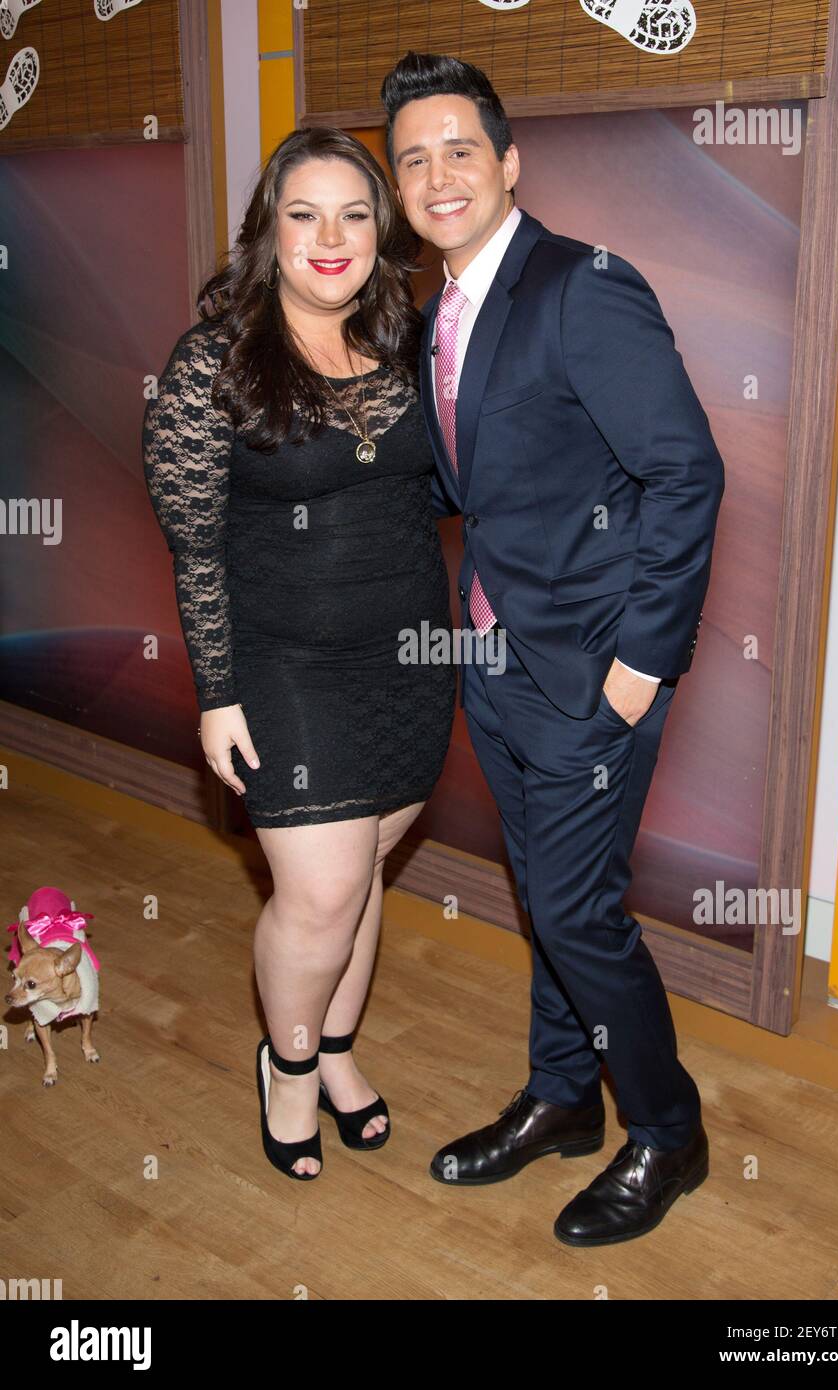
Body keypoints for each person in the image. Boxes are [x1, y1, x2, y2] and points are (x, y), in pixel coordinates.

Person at [381, 51, 725, 1245]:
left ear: (508, 161)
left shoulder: (583, 286)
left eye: (458, 149)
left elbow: (687, 471)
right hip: (495, 661)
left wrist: (644, 660)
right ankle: (563, 1098)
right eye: (413, 157)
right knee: (546, 899)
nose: (437, 175)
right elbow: (463, 479)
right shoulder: (440, 317)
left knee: (579, 912)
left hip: (594, 673)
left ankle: (667, 1130)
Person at [142, 126, 456, 1181]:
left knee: (363, 868)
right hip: (280, 661)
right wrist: (218, 694)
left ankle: (335, 1051)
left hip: (410, 654)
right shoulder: (214, 361)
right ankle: (284, 1066)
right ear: (268, 232)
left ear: (383, 232)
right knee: (318, 890)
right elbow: (193, 542)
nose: (332, 237)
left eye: (356, 214)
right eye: (304, 213)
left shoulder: (412, 339)